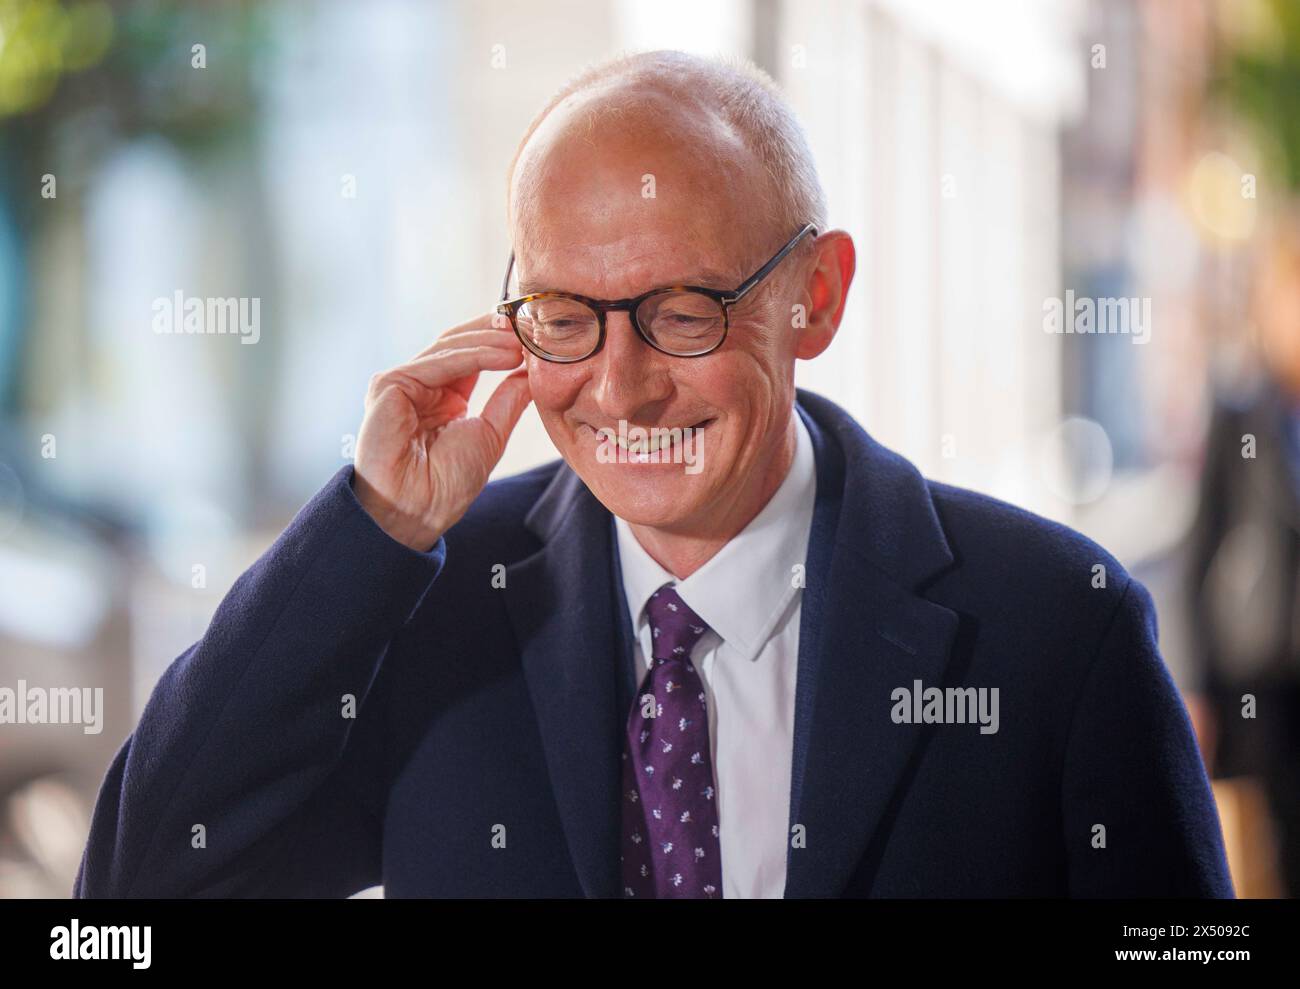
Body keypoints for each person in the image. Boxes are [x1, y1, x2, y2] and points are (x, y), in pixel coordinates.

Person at [75, 50, 1232, 898]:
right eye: (565, 319)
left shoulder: (1053, 630)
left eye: (682, 314)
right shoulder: (431, 608)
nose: (620, 389)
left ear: (814, 297)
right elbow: (135, 888)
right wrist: (371, 526)